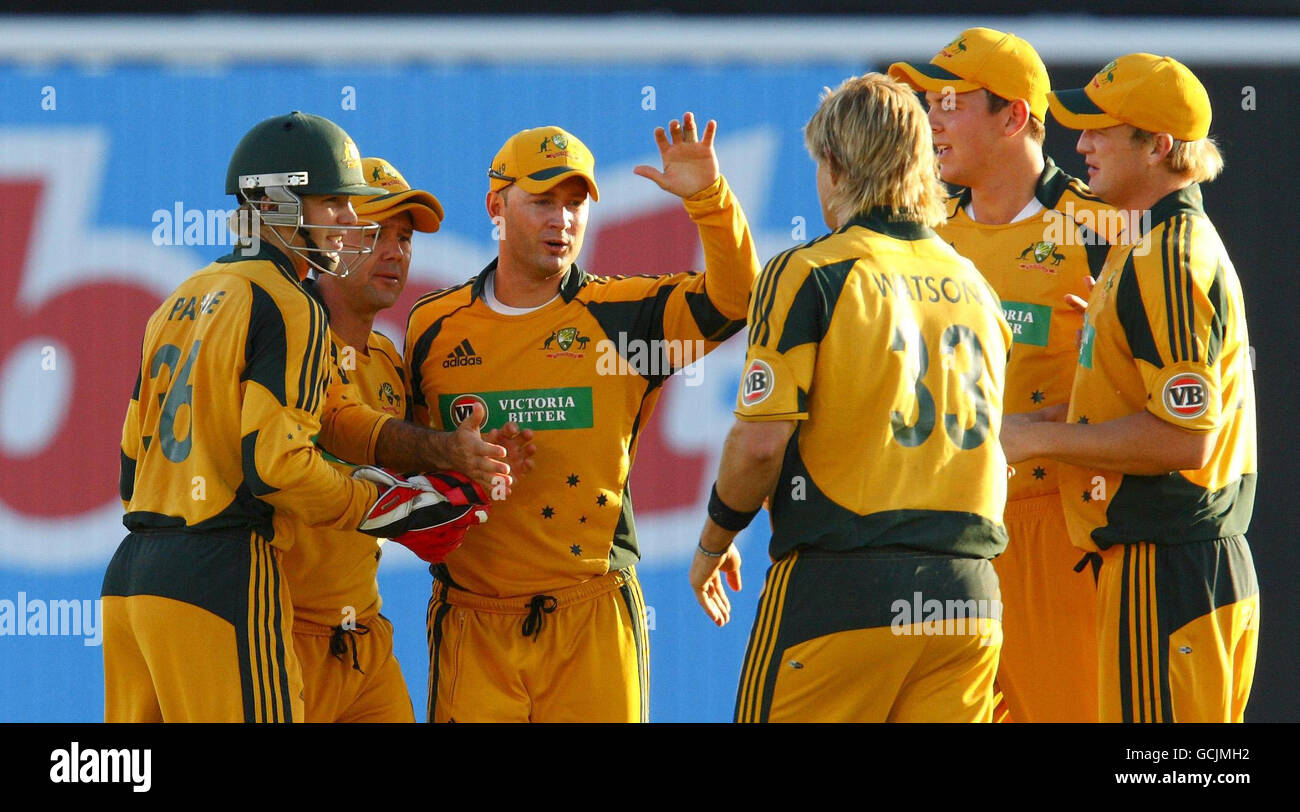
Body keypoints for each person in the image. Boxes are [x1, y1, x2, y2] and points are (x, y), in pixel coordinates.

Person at [104, 113, 493, 722]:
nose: (346, 224)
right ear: (277, 199)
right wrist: (376, 503)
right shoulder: (291, 302)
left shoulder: (181, 297)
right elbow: (278, 468)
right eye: (334, 203)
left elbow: (131, 467)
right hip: (223, 570)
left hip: (131, 578)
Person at [405, 113, 761, 722]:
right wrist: (455, 461)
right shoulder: (432, 328)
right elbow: (403, 458)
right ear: (497, 204)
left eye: (576, 202)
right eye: (543, 200)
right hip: (472, 617)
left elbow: (734, 302)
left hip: (592, 613)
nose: (562, 220)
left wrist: (708, 200)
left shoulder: (622, 316)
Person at [690, 73, 1013, 723]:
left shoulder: (810, 271)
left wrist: (715, 537)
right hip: (968, 595)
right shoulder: (977, 285)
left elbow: (758, 443)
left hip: (844, 588)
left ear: (834, 164)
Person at [1003, 54, 1258, 722]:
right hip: (1170, 564)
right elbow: (1146, 408)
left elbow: (1187, 439)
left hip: (1170, 568)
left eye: (1101, 129)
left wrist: (1033, 436)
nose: (1080, 143)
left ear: (1161, 147)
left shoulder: (1169, 256)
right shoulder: (1144, 246)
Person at [888, 27, 1118, 723]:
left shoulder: (1102, 231)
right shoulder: (919, 234)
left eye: (951, 103)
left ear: (1015, 115)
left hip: (1057, 535)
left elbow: (1163, 402)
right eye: (929, 103)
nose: (932, 121)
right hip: (938, 537)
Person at [281, 157, 447, 723]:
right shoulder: (280, 340)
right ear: (327, 237)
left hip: (361, 638)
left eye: (404, 238)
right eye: (375, 233)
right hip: (276, 633)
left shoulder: (388, 361)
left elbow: (411, 484)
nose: (396, 251)